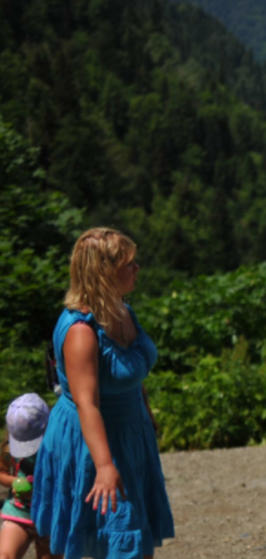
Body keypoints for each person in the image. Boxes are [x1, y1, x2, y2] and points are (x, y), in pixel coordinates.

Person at [32, 227, 174, 559]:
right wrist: (105, 465)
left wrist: (146, 409)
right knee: (114, 538)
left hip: (130, 428)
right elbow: (87, 403)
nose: (137, 269)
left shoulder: (123, 310)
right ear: (104, 273)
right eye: (129, 264)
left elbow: (133, 370)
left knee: (129, 532)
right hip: (92, 440)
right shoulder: (81, 332)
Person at [2, 394, 51, 559]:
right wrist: (14, 482)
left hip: (49, 517)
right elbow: (1, 473)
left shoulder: (57, 449)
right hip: (18, 512)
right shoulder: (9, 448)